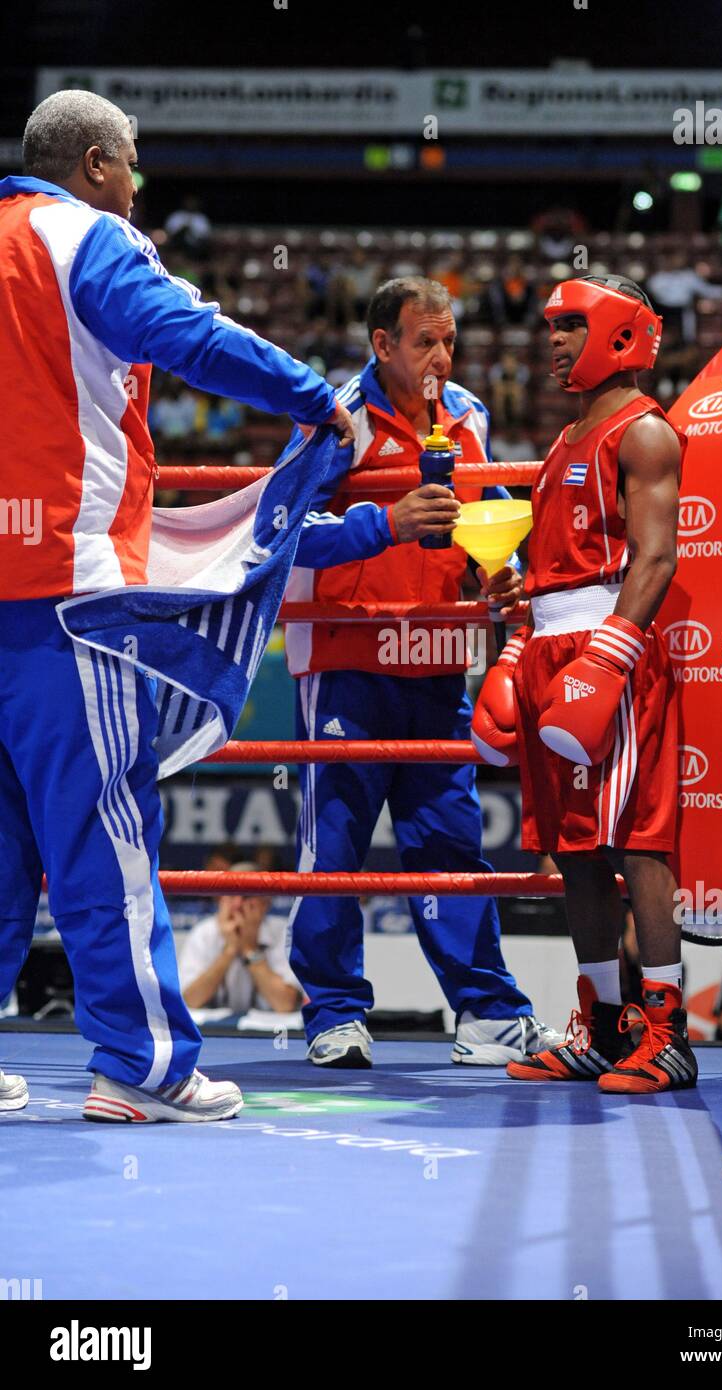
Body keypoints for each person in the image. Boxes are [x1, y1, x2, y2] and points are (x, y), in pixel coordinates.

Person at [0, 89, 353, 1121]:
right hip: (60, 587)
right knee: (105, 829)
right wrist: (312, 396)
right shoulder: (84, 238)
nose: (140, 183)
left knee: (5, 839)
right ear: (100, 162)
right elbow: (187, 334)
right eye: (135, 163)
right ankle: (141, 1067)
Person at [282, 275, 562, 1068]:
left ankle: (485, 1016)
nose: (441, 356)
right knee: (332, 850)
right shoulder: (334, 417)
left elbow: (494, 513)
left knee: (451, 846)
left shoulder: (467, 416)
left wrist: (498, 568)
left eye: (448, 340)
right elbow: (277, 527)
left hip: (440, 664)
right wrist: (383, 522)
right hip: (346, 665)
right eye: (424, 342)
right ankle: (332, 1013)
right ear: (382, 345)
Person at [473, 273, 698, 1093]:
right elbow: (557, 569)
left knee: (636, 839)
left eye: (571, 324)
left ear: (620, 332)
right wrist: (515, 621)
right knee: (572, 849)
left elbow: (657, 557)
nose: (554, 339)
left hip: (614, 655)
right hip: (548, 653)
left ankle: (666, 1031)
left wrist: (608, 655)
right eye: (551, 326)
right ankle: (602, 1027)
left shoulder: (644, 435)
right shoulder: (566, 440)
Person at [179, 865, 302, 1015]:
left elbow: (285, 1004)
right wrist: (229, 951)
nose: (237, 904)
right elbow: (190, 1000)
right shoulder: (204, 933)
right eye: (231, 895)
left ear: (265, 903)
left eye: (246, 896)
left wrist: (249, 949)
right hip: (216, 1033)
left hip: (271, 1035)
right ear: (221, 900)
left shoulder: (283, 933)